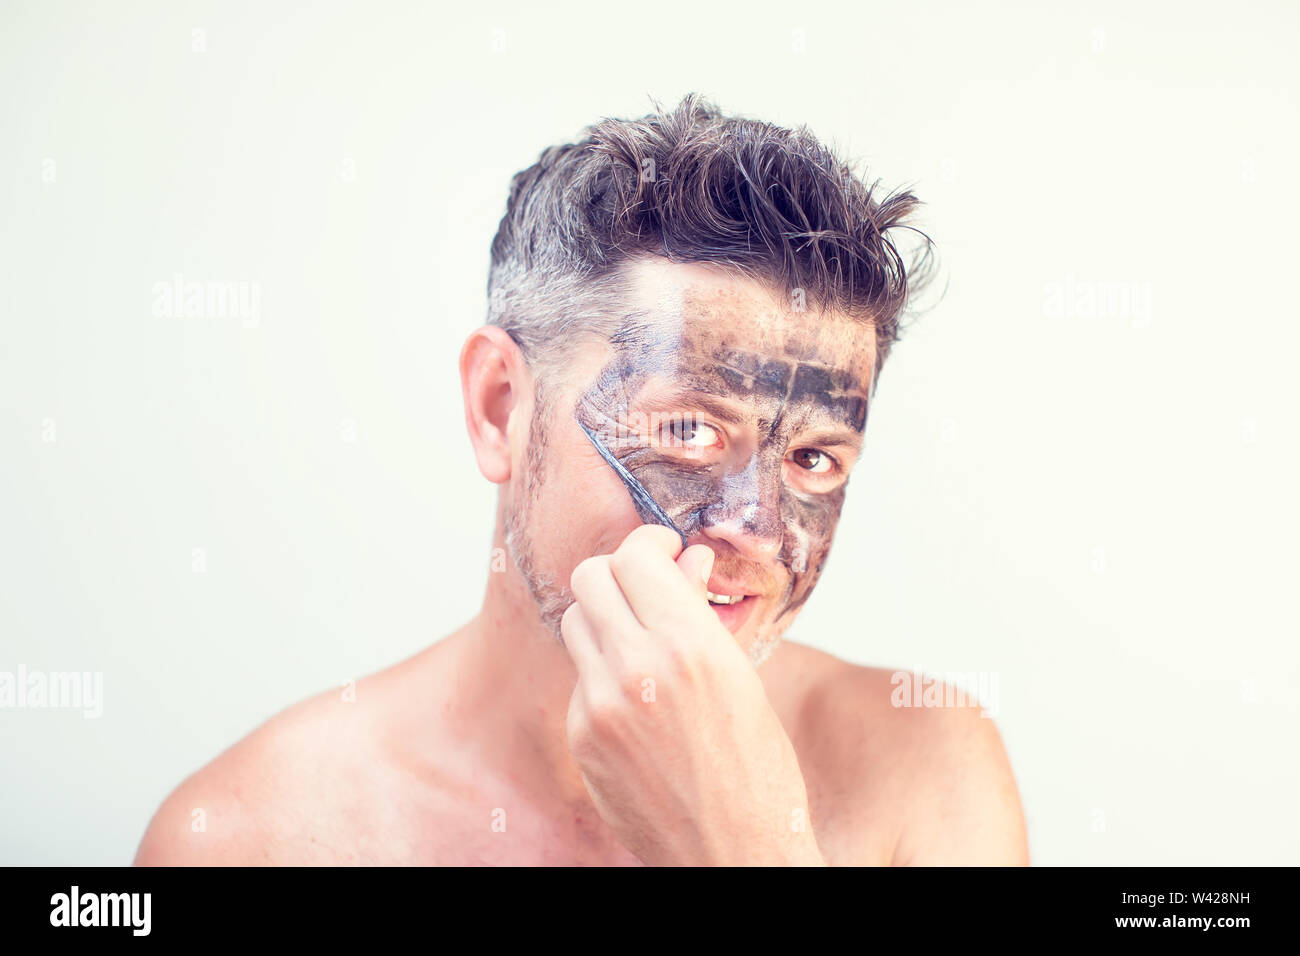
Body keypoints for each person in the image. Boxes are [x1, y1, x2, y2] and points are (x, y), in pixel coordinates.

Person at [135, 95, 1029, 865]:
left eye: (812, 458)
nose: (757, 531)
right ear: (499, 409)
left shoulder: (924, 772)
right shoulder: (252, 839)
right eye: (688, 431)